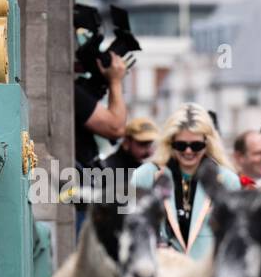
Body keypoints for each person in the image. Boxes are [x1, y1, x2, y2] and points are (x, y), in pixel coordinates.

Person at [131, 103, 242, 258]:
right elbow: (128, 227)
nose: (188, 151)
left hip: (205, 275)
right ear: (170, 143)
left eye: (196, 145)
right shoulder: (143, 175)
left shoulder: (228, 180)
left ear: (207, 143)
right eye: (180, 145)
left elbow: (234, 235)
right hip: (161, 273)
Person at [73, 50, 129, 236]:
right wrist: (115, 81)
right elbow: (116, 127)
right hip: (77, 196)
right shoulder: (68, 90)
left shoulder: (76, 90)